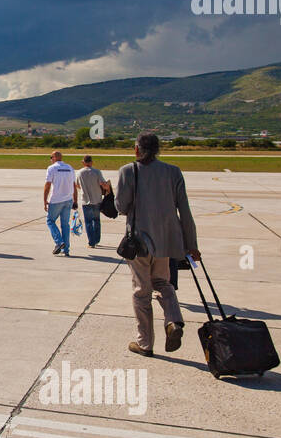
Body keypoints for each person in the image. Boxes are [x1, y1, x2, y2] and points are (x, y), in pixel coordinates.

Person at [115, 133, 200, 357]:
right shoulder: (173, 172)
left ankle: (145, 343)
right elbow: (185, 211)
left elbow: (121, 207)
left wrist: (110, 194)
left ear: (136, 150)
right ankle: (173, 322)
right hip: (166, 243)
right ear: (158, 150)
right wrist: (191, 244)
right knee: (163, 283)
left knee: (141, 291)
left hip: (139, 243)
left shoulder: (128, 171)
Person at [43, 150, 77, 256]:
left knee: (50, 221)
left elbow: (47, 185)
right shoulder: (70, 168)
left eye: (51, 157)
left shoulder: (52, 168)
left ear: (54, 158)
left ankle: (59, 242)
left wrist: (45, 200)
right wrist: (75, 200)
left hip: (57, 200)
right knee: (65, 225)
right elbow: (74, 185)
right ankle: (66, 250)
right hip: (68, 200)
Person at [75, 155, 111, 248]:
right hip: (97, 199)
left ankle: (91, 242)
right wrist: (107, 188)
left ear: (83, 162)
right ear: (91, 162)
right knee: (96, 220)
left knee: (88, 222)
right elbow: (103, 184)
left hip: (85, 200)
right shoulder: (97, 171)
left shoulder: (79, 172)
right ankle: (96, 240)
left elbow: (77, 185)